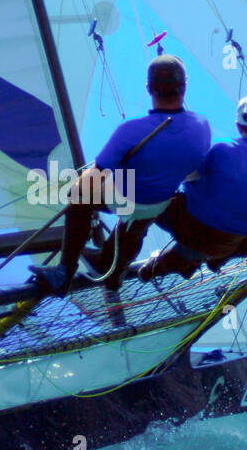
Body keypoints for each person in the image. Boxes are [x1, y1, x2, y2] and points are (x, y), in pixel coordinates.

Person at [32, 55, 211, 294]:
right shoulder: (202, 127)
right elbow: (192, 173)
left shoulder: (131, 131)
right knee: (137, 222)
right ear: (184, 86)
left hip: (126, 200)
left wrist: (77, 187)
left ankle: (64, 272)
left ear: (149, 88)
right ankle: (114, 274)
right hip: (158, 204)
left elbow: (88, 185)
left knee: (80, 199)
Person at [139, 95, 247, 281]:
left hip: (187, 225)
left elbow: (179, 176)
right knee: (215, 233)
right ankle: (167, 265)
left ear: (239, 126)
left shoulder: (223, 150)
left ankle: (119, 240)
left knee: (134, 187)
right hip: (228, 244)